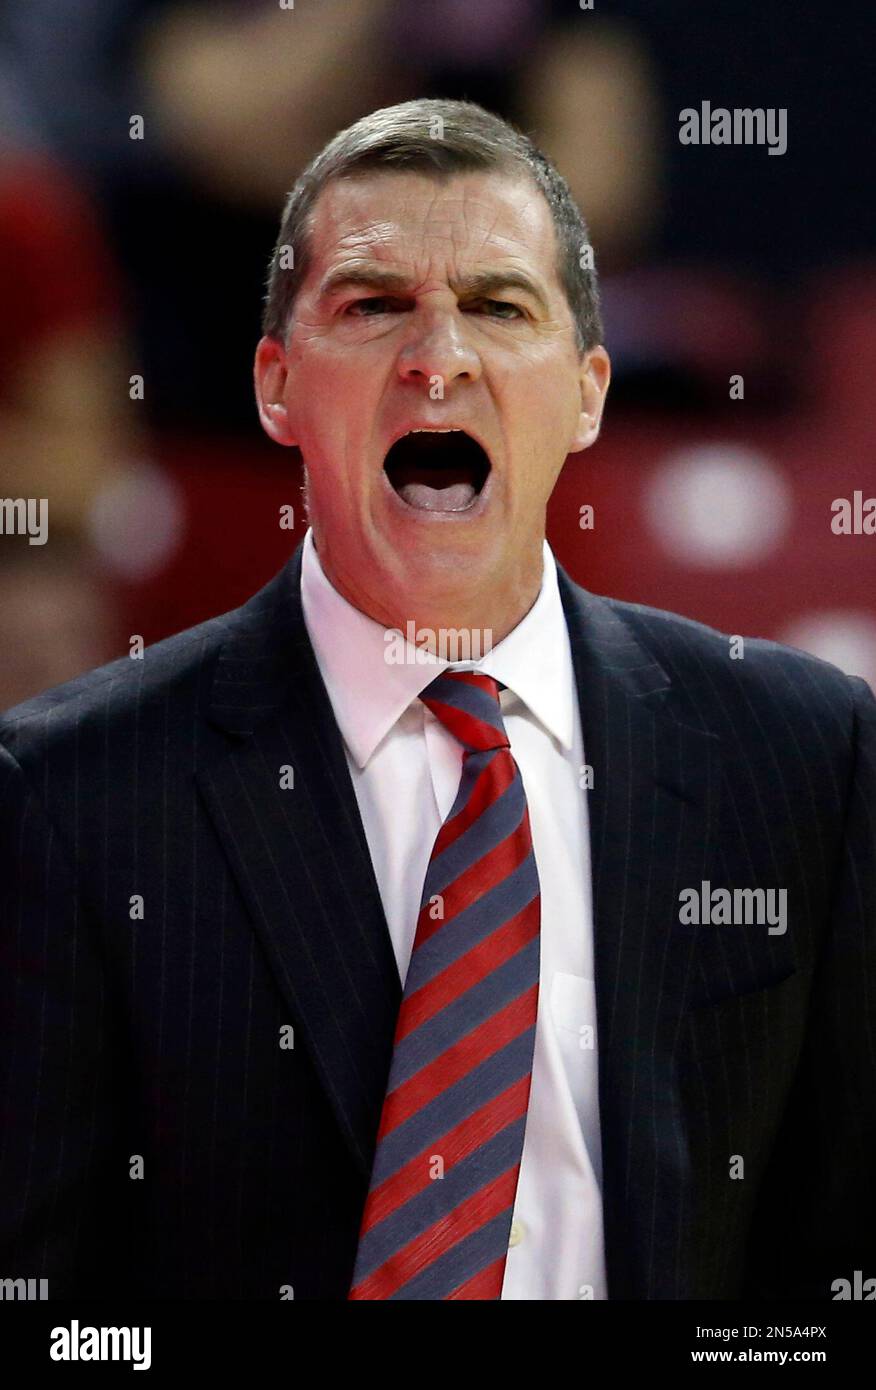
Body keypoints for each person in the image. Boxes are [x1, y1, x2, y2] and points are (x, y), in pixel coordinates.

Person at [1, 99, 874, 1301]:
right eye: (373, 306)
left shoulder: (807, 758)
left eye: (499, 306)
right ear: (276, 385)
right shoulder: (68, 795)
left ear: (587, 394)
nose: (439, 356)